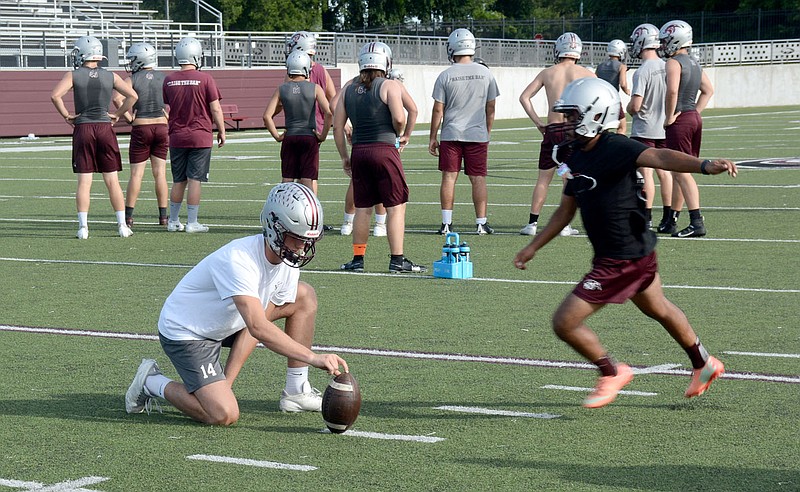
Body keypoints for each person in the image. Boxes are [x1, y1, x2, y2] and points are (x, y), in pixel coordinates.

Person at [513, 77, 733, 408]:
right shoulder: (573, 155)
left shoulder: (616, 146)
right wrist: (534, 245)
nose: (565, 124)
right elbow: (565, 210)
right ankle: (704, 362)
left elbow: (661, 158)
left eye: (573, 117)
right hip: (633, 249)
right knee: (658, 307)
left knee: (565, 322)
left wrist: (702, 165)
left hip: (622, 258)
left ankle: (611, 371)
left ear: (595, 116)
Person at [125, 182, 349, 425]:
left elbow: (258, 324)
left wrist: (226, 384)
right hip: (187, 332)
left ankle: (296, 390)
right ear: (275, 228)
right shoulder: (239, 259)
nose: (303, 248)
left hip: (227, 321)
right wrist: (313, 357)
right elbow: (257, 327)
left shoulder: (286, 262)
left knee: (303, 295)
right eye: (297, 239)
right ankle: (151, 381)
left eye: (308, 240)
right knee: (223, 414)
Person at [335, 42, 426, 273]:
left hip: (359, 151)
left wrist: (345, 157)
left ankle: (357, 260)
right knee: (396, 206)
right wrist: (403, 135)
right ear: (386, 62)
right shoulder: (390, 85)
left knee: (363, 207)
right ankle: (397, 259)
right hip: (384, 150)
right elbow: (401, 116)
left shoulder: (348, 88)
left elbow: (337, 127)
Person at [50, 35, 138, 239]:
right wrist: (118, 114)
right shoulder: (111, 76)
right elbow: (133, 96)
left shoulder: (73, 75)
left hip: (83, 128)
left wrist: (66, 116)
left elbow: (55, 95)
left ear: (82, 53)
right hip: (105, 128)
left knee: (84, 182)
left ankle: (83, 228)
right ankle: (122, 226)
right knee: (112, 181)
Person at [518, 32, 594, 237]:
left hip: (552, 131)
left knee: (544, 178)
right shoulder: (587, 73)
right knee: (567, 176)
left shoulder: (548, 72)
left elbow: (524, 97)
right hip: (573, 131)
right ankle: (565, 225)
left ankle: (532, 224)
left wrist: (538, 123)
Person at [429, 28, 499, 235]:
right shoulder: (486, 73)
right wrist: (487, 130)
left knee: (449, 178)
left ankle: (446, 223)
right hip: (476, 134)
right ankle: (481, 223)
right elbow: (491, 107)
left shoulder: (445, 75)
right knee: (478, 178)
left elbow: (438, 109)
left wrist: (433, 136)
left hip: (451, 133)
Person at [162, 36, 226, 234]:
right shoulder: (206, 78)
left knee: (178, 180)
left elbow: (166, 108)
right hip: (200, 135)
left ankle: (173, 221)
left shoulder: (169, 79)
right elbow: (215, 108)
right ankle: (192, 222)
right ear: (196, 55)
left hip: (177, 136)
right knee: (195, 179)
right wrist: (222, 130)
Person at [659, 20, 715, 237]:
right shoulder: (694, 62)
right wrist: (695, 113)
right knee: (680, 170)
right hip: (692, 117)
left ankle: (696, 221)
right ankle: (674, 217)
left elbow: (672, 91)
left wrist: (669, 116)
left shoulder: (674, 63)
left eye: (665, 41)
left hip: (681, 119)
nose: (664, 45)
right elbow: (708, 90)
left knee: (681, 171)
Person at [627, 24, 675, 231]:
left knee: (646, 175)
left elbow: (636, 106)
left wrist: (627, 107)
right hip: (665, 126)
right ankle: (668, 216)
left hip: (645, 128)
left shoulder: (642, 71)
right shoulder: (668, 66)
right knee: (665, 173)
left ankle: (646, 218)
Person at [263, 51, 332, 195]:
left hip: (290, 137)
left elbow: (267, 116)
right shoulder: (315, 88)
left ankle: (282, 211)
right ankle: (309, 213)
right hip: (309, 137)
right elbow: (329, 112)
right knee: (307, 179)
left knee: (287, 179)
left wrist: (277, 136)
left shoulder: (281, 89)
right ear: (306, 68)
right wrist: (322, 135)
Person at [285, 31, 337, 223]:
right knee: (310, 174)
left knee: (299, 175)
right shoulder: (322, 70)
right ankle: (310, 211)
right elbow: (333, 97)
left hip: (301, 128)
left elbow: (284, 97)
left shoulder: (294, 72)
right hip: (318, 128)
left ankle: (304, 213)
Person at [118, 42, 170, 228]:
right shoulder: (164, 78)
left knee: (136, 175)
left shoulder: (132, 79)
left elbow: (117, 98)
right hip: (162, 127)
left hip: (141, 127)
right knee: (160, 174)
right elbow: (175, 99)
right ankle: (163, 217)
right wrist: (168, 115)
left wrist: (127, 116)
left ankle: (129, 218)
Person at [594, 39, 629, 134]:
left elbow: (595, 80)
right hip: (613, 99)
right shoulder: (621, 66)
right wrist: (628, 91)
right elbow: (623, 83)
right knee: (621, 127)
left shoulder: (600, 66)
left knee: (602, 128)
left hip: (600, 100)